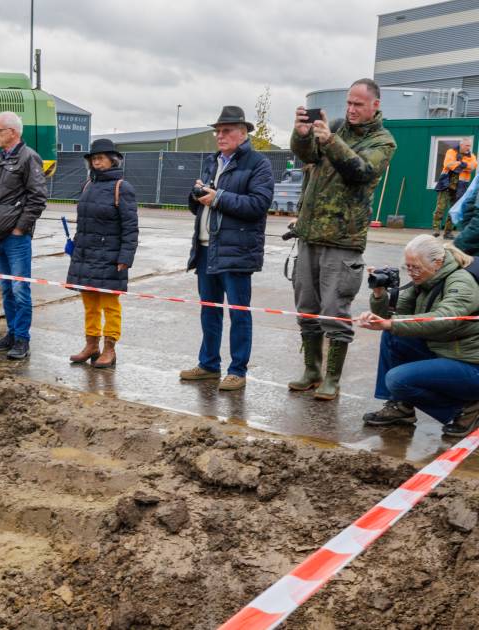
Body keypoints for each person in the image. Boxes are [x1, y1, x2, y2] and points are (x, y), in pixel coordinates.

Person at [288, 78, 397, 401]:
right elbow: (305, 156)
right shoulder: (335, 128)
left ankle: (332, 378)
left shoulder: (383, 141)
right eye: (349, 103)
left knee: (335, 310)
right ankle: (311, 370)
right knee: (306, 307)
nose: (351, 109)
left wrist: (331, 140)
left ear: (375, 105)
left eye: (358, 104)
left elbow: (360, 171)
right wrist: (303, 134)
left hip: (342, 239)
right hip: (309, 234)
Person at [178, 106, 275, 391]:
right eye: (217, 131)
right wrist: (196, 195)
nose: (220, 136)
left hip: (237, 251)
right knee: (209, 310)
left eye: (227, 131)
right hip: (207, 247)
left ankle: (237, 370)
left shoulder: (258, 164)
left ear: (243, 133)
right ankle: (209, 365)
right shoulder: (212, 161)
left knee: (238, 312)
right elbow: (199, 206)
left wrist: (218, 197)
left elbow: (258, 204)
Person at [357, 235, 479, 437]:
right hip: (447, 351)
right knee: (392, 336)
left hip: (471, 364)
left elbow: (445, 318)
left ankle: (466, 409)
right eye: (408, 267)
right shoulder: (428, 278)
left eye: (415, 267)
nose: (411, 273)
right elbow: (392, 317)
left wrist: (390, 323)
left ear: (437, 263)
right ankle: (401, 407)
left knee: (397, 379)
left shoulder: (461, 281)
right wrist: (379, 293)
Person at [0, 111, 48, 361]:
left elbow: (38, 198)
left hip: (16, 238)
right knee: (6, 288)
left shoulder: (28, 159)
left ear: (13, 132)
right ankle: (11, 332)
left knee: (19, 289)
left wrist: (20, 228)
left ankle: (22, 339)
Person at [65, 138, 138, 368]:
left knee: (110, 304)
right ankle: (91, 344)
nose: (96, 162)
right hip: (86, 254)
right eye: (93, 158)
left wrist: (125, 257)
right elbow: (83, 222)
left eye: (100, 158)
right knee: (89, 303)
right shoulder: (88, 185)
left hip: (110, 257)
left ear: (112, 160)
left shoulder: (122, 187)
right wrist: (75, 246)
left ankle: (109, 348)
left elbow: (130, 226)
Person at [434, 138, 476, 239]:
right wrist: (464, 165)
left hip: (460, 187)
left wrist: (458, 163)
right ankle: (436, 230)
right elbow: (448, 165)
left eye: (469, 146)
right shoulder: (451, 151)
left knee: (453, 210)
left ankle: (448, 232)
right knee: (440, 208)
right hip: (446, 184)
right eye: (467, 146)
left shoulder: (472, 156)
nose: (468, 148)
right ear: (461, 145)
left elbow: (472, 166)